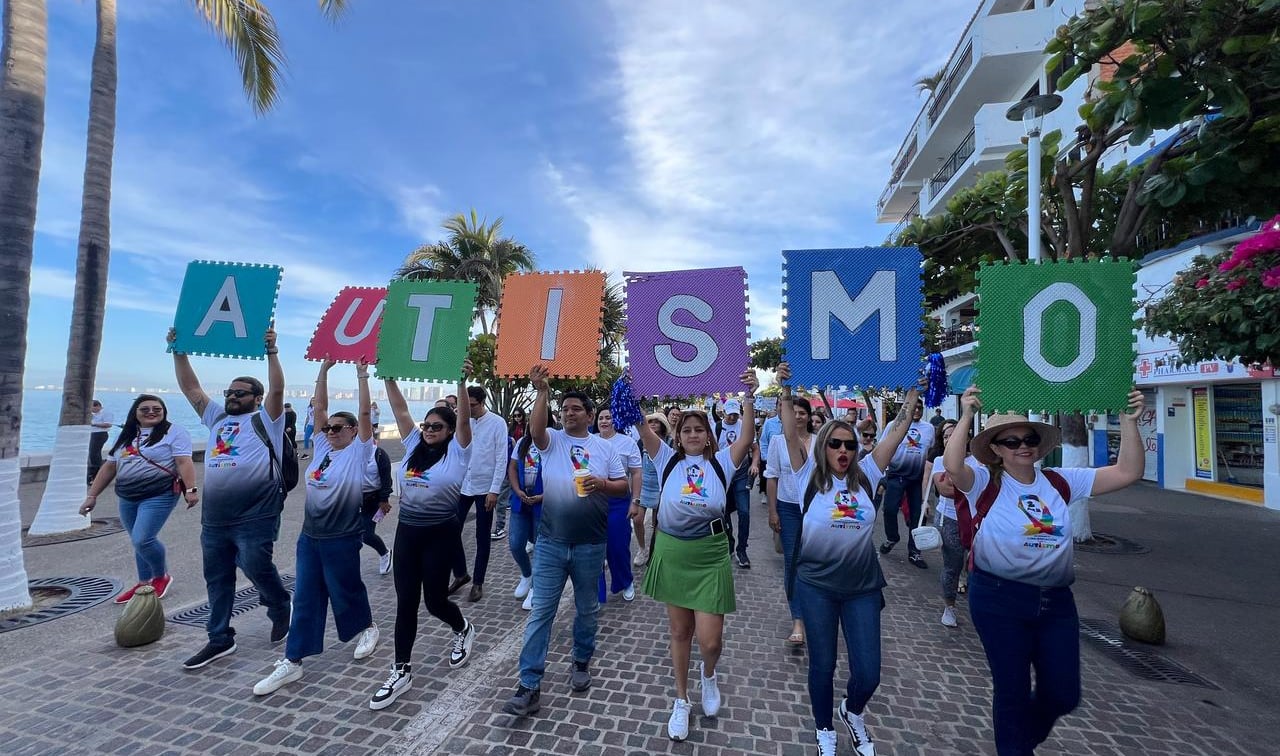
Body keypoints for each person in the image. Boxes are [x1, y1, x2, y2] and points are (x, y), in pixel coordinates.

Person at [944, 385, 1146, 756]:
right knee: (1012, 691)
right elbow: (953, 466)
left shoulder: (1059, 481)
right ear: (996, 450)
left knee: (1063, 694)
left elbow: (1128, 471)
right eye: (1011, 441)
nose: (1023, 445)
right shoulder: (985, 483)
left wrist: (1130, 422)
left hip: (1056, 603)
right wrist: (967, 415)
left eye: (1029, 437)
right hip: (998, 599)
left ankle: (1020, 742)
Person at [777, 362, 919, 756]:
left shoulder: (869, 474)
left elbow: (898, 430)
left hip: (862, 588)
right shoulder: (807, 474)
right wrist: (785, 391)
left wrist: (910, 396)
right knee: (822, 666)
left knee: (869, 672)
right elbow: (791, 432)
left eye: (850, 444)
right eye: (835, 444)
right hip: (817, 587)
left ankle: (852, 712)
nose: (843, 450)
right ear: (822, 445)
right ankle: (824, 727)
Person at [638, 370, 758, 742]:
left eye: (699, 429)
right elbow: (640, 423)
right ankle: (681, 699)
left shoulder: (722, 462)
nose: (692, 434)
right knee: (679, 632)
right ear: (678, 435)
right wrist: (633, 391)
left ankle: (708, 674)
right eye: (687, 429)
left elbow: (749, 436)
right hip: (673, 552)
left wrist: (749, 397)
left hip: (709, 556)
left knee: (710, 641)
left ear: (708, 435)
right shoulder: (664, 459)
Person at [502, 365, 627, 717]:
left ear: (590, 415)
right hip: (551, 542)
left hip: (591, 543)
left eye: (576, 409)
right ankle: (529, 685)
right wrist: (542, 391)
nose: (569, 413)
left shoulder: (605, 450)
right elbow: (536, 429)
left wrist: (601, 484)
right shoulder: (552, 441)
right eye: (565, 408)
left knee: (587, 608)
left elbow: (623, 487)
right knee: (542, 610)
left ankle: (581, 660)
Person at [253, 360, 381, 696]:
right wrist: (324, 369)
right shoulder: (323, 447)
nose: (332, 431)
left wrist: (361, 374)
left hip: (342, 534)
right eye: (329, 428)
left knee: (346, 588)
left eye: (340, 427)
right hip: (310, 537)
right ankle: (292, 660)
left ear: (354, 431)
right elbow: (320, 407)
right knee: (306, 596)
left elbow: (365, 413)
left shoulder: (359, 451)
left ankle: (367, 627)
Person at [170, 327, 292, 671]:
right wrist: (178, 351)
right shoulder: (218, 419)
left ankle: (280, 605)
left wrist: (271, 351)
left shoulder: (265, 420)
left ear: (257, 397)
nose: (233, 396)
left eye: (241, 392)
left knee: (255, 564)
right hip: (216, 518)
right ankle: (220, 638)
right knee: (218, 577)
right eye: (230, 391)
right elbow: (191, 389)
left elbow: (279, 388)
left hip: (257, 513)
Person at [368, 363, 478, 711]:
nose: (429, 430)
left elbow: (463, 421)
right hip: (408, 534)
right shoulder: (415, 444)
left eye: (437, 426)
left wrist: (460, 381)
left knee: (434, 601)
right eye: (426, 425)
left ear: (448, 430)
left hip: (441, 533)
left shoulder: (459, 451)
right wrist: (388, 375)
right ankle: (401, 670)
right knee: (406, 603)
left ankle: (462, 627)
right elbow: (400, 409)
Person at [80, 394, 197, 603]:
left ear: (164, 412)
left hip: (159, 494)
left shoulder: (174, 432)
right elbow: (109, 466)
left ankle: (161, 576)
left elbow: (183, 461)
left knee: (143, 539)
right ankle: (144, 583)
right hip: (127, 496)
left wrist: (191, 489)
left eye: (156, 409)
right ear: (135, 413)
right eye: (145, 409)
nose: (151, 412)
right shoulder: (126, 434)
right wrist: (92, 496)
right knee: (137, 541)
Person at [764, 394, 814, 647]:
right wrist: (772, 511)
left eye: (802, 412)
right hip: (787, 508)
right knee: (792, 563)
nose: (797, 416)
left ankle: (817, 611)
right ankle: (797, 619)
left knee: (814, 560)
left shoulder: (819, 442)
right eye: (791, 411)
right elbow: (771, 477)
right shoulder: (776, 442)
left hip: (816, 511)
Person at [450, 385, 507, 602]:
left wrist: (494, 490)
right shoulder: (461, 421)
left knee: (482, 536)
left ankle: (478, 582)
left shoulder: (497, 423)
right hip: (462, 485)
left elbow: (501, 458)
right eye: (465, 404)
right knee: (451, 530)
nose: (468, 409)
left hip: (485, 487)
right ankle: (460, 573)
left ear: (482, 403)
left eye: (472, 405)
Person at [877, 397, 935, 568]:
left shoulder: (929, 429)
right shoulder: (893, 425)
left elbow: (930, 452)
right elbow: (883, 448)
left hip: (916, 479)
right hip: (896, 475)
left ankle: (915, 552)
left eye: (920, 408)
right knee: (889, 509)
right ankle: (892, 537)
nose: (916, 411)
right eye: (913, 408)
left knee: (918, 515)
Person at [594, 407, 642, 603]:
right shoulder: (590, 440)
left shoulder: (628, 443)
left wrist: (635, 501)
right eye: (601, 418)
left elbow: (636, 473)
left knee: (618, 546)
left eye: (608, 418)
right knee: (593, 548)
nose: (604, 421)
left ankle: (625, 581)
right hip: (593, 501)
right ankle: (596, 595)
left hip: (619, 500)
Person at [714, 399, 758, 569]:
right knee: (722, 512)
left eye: (735, 414)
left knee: (744, 512)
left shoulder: (742, 426)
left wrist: (755, 464)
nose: (732, 417)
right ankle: (729, 542)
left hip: (741, 473)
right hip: (723, 475)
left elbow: (755, 448)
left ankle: (742, 549)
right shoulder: (716, 427)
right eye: (729, 414)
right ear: (723, 412)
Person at [927, 419, 963, 627]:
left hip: (977, 520)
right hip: (950, 518)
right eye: (946, 436)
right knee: (953, 564)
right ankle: (950, 606)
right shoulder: (941, 461)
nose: (950, 439)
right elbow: (946, 490)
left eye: (954, 434)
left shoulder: (977, 461)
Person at [506, 428, 544, 612]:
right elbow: (512, 467)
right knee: (515, 543)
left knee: (540, 546)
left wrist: (545, 495)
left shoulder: (552, 442)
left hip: (543, 502)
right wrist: (516, 489)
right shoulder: (522, 443)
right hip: (521, 501)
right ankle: (526, 574)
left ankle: (536, 588)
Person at [630, 412, 671, 567]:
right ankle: (642, 549)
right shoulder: (641, 443)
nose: (653, 424)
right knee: (638, 519)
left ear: (662, 425)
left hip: (661, 486)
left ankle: (656, 550)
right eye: (650, 421)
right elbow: (635, 467)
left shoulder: (669, 442)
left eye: (656, 422)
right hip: (643, 485)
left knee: (657, 522)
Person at [361, 433, 394, 576]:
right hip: (352, 498)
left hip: (373, 499)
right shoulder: (351, 453)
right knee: (348, 534)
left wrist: (384, 500)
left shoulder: (379, 454)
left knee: (366, 534)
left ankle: (385, 553)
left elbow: (386, 479)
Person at [87, 399, 114, 484]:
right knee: (93, 454)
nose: (91, 410)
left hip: (100, 434)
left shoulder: (106, 413)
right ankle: (93, 474)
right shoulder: (94, 414)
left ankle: (96, 474)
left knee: (94, 453)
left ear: (97, 406)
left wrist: (94, 424)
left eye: (92, 408)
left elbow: (108, 424)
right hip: (93, 433)